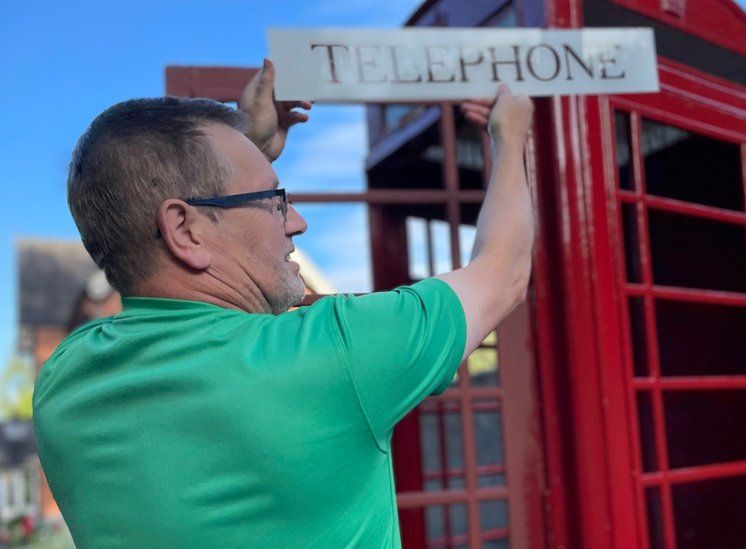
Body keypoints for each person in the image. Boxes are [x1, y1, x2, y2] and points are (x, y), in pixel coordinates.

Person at [33, 59, 534, 547]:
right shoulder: (335, 354)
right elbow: (505, 270)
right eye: (275, 200)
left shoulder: (64, 381)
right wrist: (510, 138)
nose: (296, 221)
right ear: (184, 230)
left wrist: (248, 148)